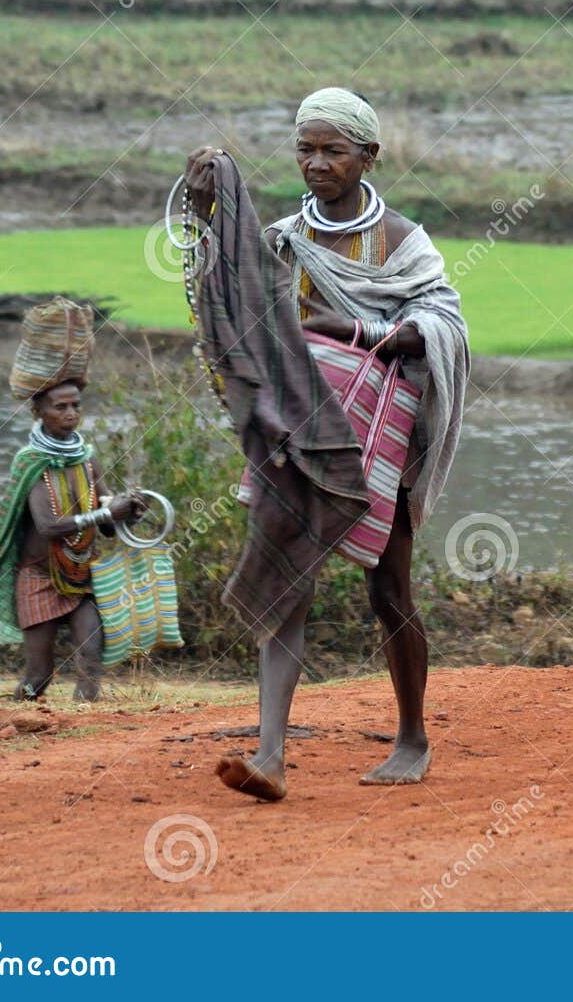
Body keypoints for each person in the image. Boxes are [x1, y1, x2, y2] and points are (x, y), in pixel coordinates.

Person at [185, 87, 469, 800]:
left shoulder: (402, 241)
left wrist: (357, 333)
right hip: (301, 431)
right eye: (305, 149)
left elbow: (439, 325)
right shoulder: (281, 241)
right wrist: (205, 210)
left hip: (382, 435)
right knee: (289, 577)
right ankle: (271, 752)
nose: (316, 163)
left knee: (390, 585)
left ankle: (412, 736)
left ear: (369, 156)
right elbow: (231, 297)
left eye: (332, 150)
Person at [0, 380, 149, 702]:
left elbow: (108, 527)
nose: (71, 414)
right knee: (39, 676)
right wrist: (104, 514)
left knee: (91, 662)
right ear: (38, 411)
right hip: (38, 577)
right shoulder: (31, 462)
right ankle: (14, 721)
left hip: (80, 576)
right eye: (60, 407)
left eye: (76, 406)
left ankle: (82, 732)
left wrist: (129, 511)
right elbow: (47, 525)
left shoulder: (87, 458)